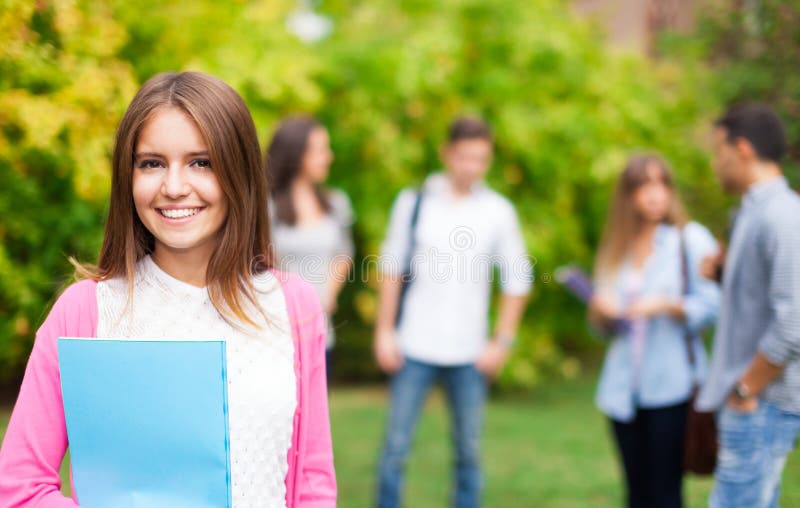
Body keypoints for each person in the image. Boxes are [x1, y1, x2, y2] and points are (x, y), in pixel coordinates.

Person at [0, 71, 336, 507]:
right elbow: (20, 489)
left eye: (201, 162)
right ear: (128, 175)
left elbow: (312, 486)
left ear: (239, 172)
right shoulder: (84, 312)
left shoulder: (292, 305)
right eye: (152, 163)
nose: (174, 187)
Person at [373, 117, 531, 508]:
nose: (471, 168)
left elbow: (517, 280)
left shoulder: (498, 211)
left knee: (469, 451)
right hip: (414, 344)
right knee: (395, 448)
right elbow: (391, 269)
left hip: (470, 352)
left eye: (481, 159)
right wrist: (384, 331)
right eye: (464, 158)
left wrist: (502, 342)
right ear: (447, 153)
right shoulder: (413, 203)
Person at [589, 154, 720, 508]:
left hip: (671, 387)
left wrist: (664, 304)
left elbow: (713, 306)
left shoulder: (689, 240)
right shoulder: (618, 248)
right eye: (645, 185)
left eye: (661, 184)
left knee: (665, 494)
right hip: (622, 390)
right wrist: (601, 313)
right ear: (628, 195)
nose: (655, 194)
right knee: (636, 493)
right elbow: (602, 330)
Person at [697, 104, 800, 508]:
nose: (715, 163)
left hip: (762, 402)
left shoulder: (783, 215)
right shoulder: (751, 212)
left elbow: (795, 321)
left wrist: (745, 388)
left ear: (741, 149)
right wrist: (724, 275)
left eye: (718, 151)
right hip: (751, 401)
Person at [266, 116, 354, 378]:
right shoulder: (265, 206)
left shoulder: (336, 203)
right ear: (296, 153)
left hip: (320, 330)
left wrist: (327, 297)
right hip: (277, 330)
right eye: (319, 150)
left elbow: (344, 253)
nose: (328, 157)